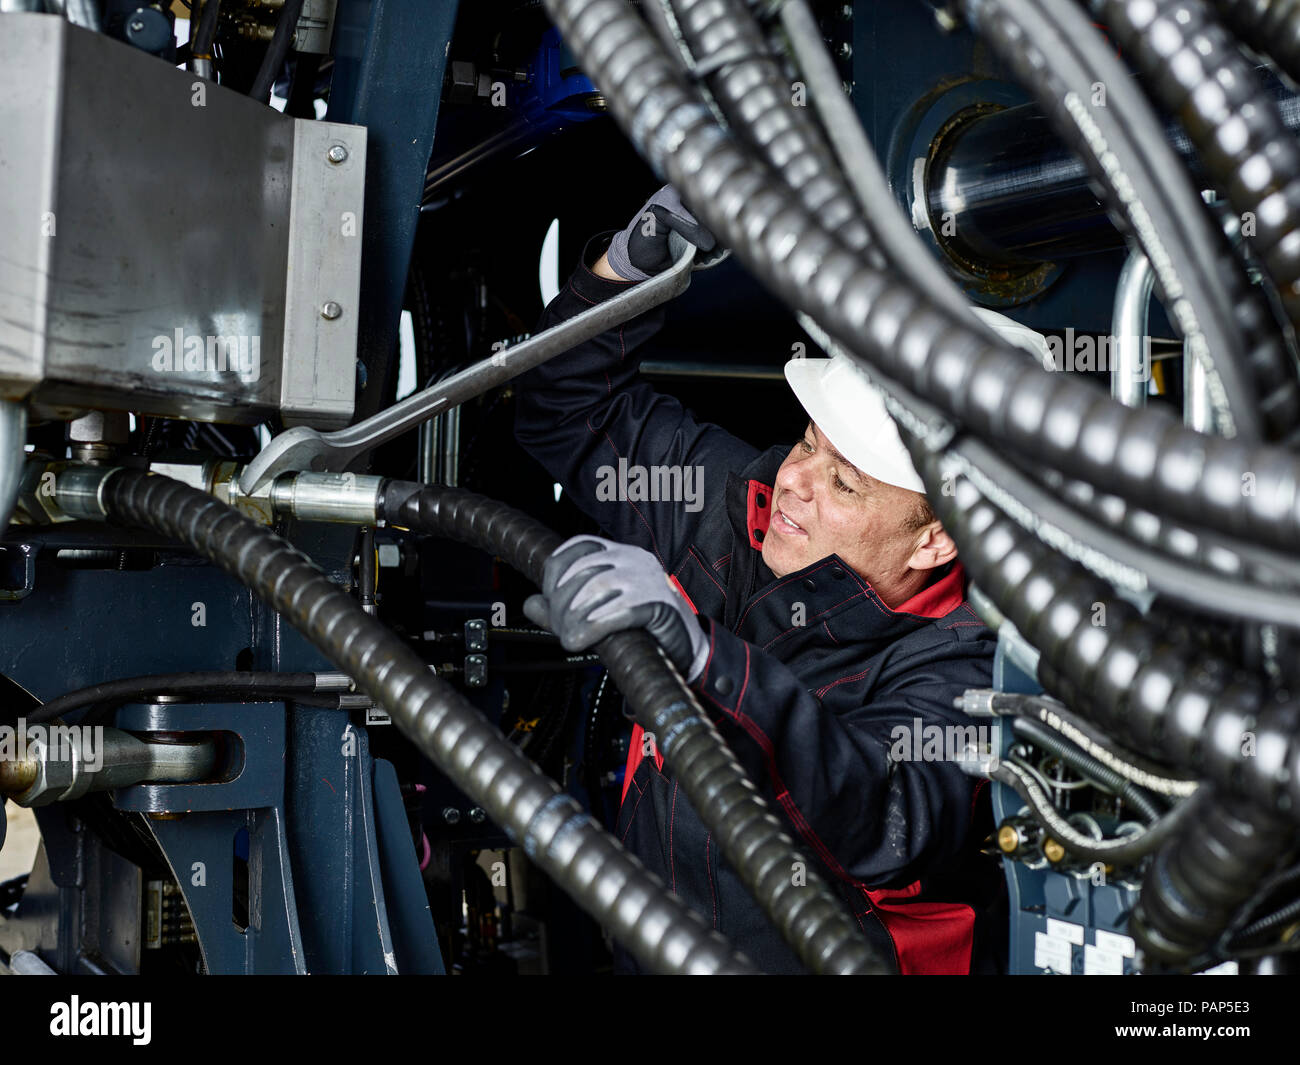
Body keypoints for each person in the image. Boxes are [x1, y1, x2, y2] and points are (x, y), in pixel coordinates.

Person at [515, 186, 1006, 974]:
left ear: (935, 540)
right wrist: (635, 262)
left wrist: (705, 657)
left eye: (845, 483)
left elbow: (885, 812)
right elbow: (569, 414)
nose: (795, 481)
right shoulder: (735, 507)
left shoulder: (971, 671)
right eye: (807, 442)